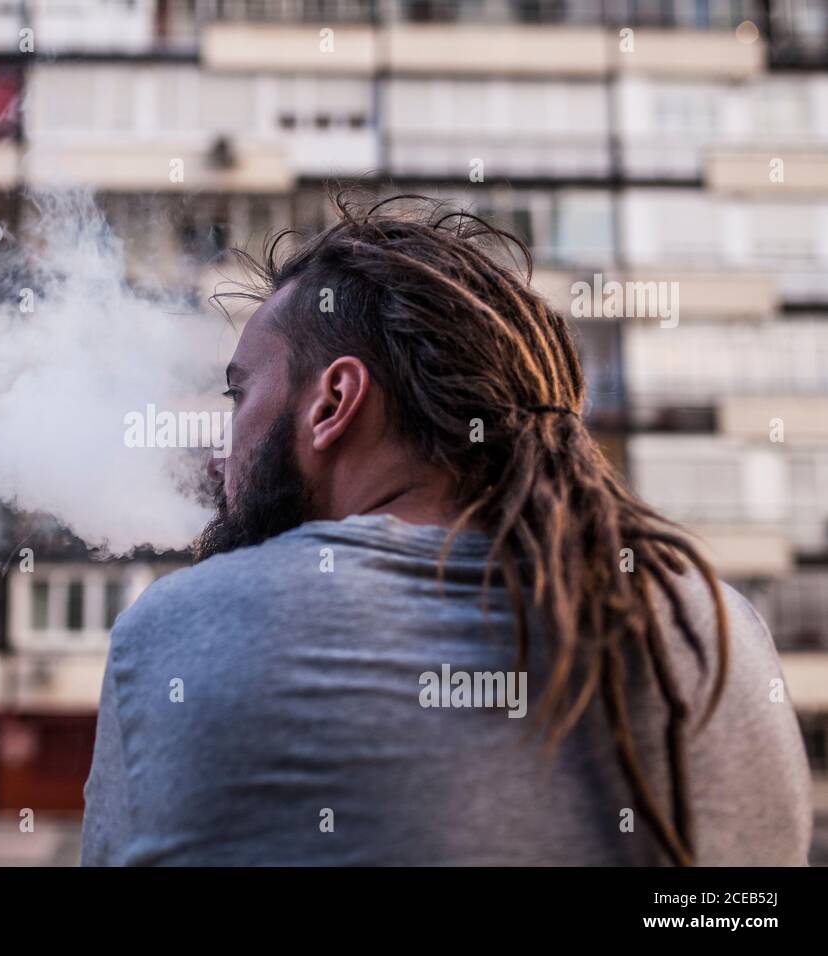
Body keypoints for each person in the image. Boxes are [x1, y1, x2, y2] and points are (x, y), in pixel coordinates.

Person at [81, 195, 812, 866]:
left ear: (333, 402)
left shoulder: (181, 631)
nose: (219, 452)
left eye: (239, 395)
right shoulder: (721, 629)